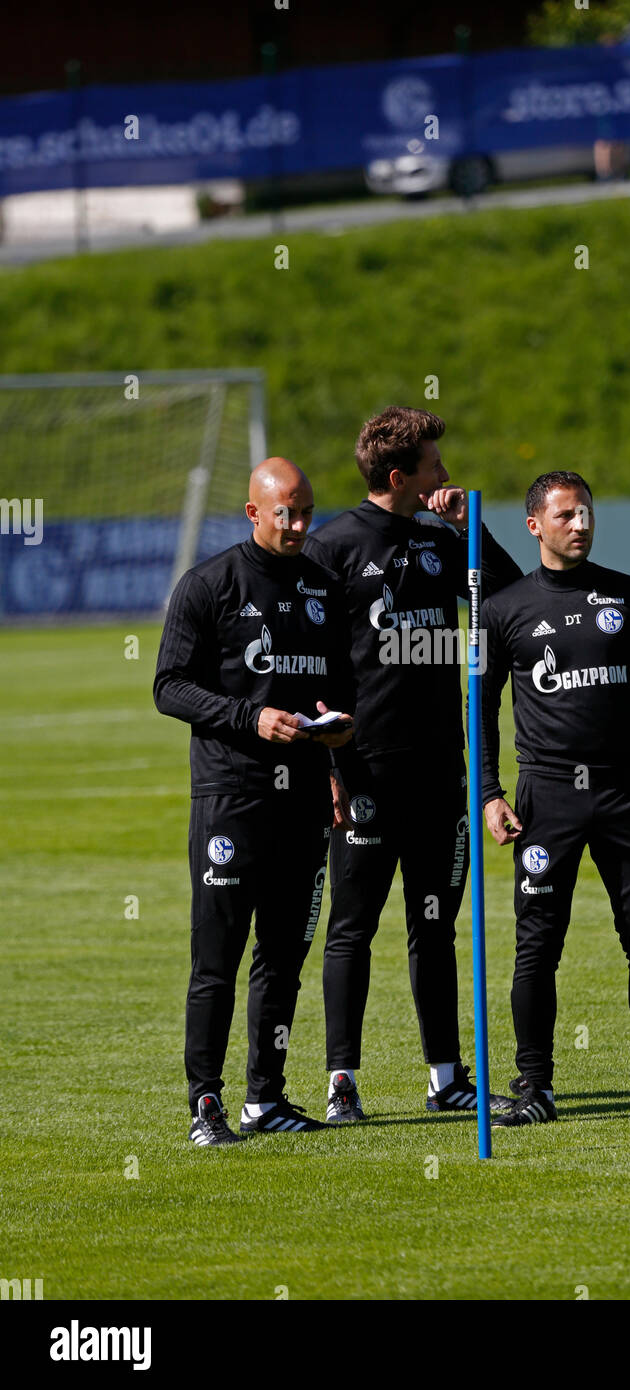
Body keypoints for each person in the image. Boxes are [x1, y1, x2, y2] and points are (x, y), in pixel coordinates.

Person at [302, 406, 522, 1121]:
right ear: (399, 476)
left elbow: (514, 599)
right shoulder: (331, 548)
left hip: (441, 772)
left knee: (435, 926)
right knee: (352, 928)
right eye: (435, 466)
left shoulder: (439, 535)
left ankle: (446, 1078)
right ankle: (342, 1082)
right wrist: (330, 771)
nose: (447, 476)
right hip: (364, 771)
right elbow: (311, 667)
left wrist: (468, 529)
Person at [480, 470, 630, 1126]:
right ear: (535, 526)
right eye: (564, 516)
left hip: (624, 802)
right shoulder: (505, 610)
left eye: (585, 513)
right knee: (537, 949)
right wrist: (491, 793)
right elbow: (483, 706)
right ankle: (537, 1089)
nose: (578, 525)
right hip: (545, 804)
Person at [154, 457, 354, 1146]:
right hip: (231, 799)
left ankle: (264, 1098)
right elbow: (169, 686)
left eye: (306, 511)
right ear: (253, 512)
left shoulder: (325, 588)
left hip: (301, 798)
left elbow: (338, 684)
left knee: (282, 956)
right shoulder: (208, 585)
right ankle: (204, 1104)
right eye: (285, 513)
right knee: (218, 958)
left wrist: (337, 741)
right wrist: (249, 718)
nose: (299, 525)